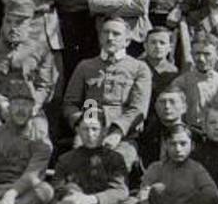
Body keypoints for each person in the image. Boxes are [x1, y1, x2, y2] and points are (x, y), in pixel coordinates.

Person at [61, 17, 152, 171]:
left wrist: (117, 133)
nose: (110, 38)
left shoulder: (139, 68)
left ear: (127, 41)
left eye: (116, 34)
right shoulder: (85, 66)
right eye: (106, 33)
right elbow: (70, 103)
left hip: (123, 137)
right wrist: (81, 126)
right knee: (78, 170)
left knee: (113, 170)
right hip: (88, 131)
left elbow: (138, 108)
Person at [52, 106, 134, 204]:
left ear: (104, 131)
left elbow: (120, 191)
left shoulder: (115, 158)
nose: (90, 134)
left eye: (95, 129)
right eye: (85, 129)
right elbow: (56, 189)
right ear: (78, 131)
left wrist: (91, 199)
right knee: (70, 190)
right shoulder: (66, 159)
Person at [0, 17, 57, 142]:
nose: (12, 28)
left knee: (39, 136)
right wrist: (0, 103)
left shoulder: (41, 50)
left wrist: (33, 105)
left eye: (18, 23)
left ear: (29, 25)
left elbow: (45, 86)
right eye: (8, 22)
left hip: (29, 106)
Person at [169, 33, 218, 138]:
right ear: (191, 54)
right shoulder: (180, 83)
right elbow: (173, 116)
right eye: (197, 53)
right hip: (190, 138)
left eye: (207, 54)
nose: (201, 59)